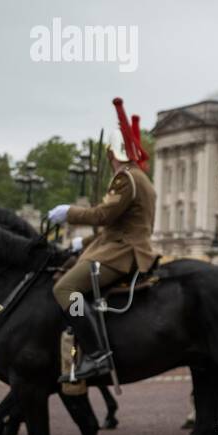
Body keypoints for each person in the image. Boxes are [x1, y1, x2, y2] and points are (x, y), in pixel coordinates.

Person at [47, 134, 156, 384]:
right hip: (121, 245)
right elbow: (119, 226)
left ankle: (97, 354)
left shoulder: (126, 178)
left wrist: (69, 212)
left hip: (122, 253)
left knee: (65, 288)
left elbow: (102, 216)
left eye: (110, 156)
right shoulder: (141, 178)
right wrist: (83, 243)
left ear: (114, 155)